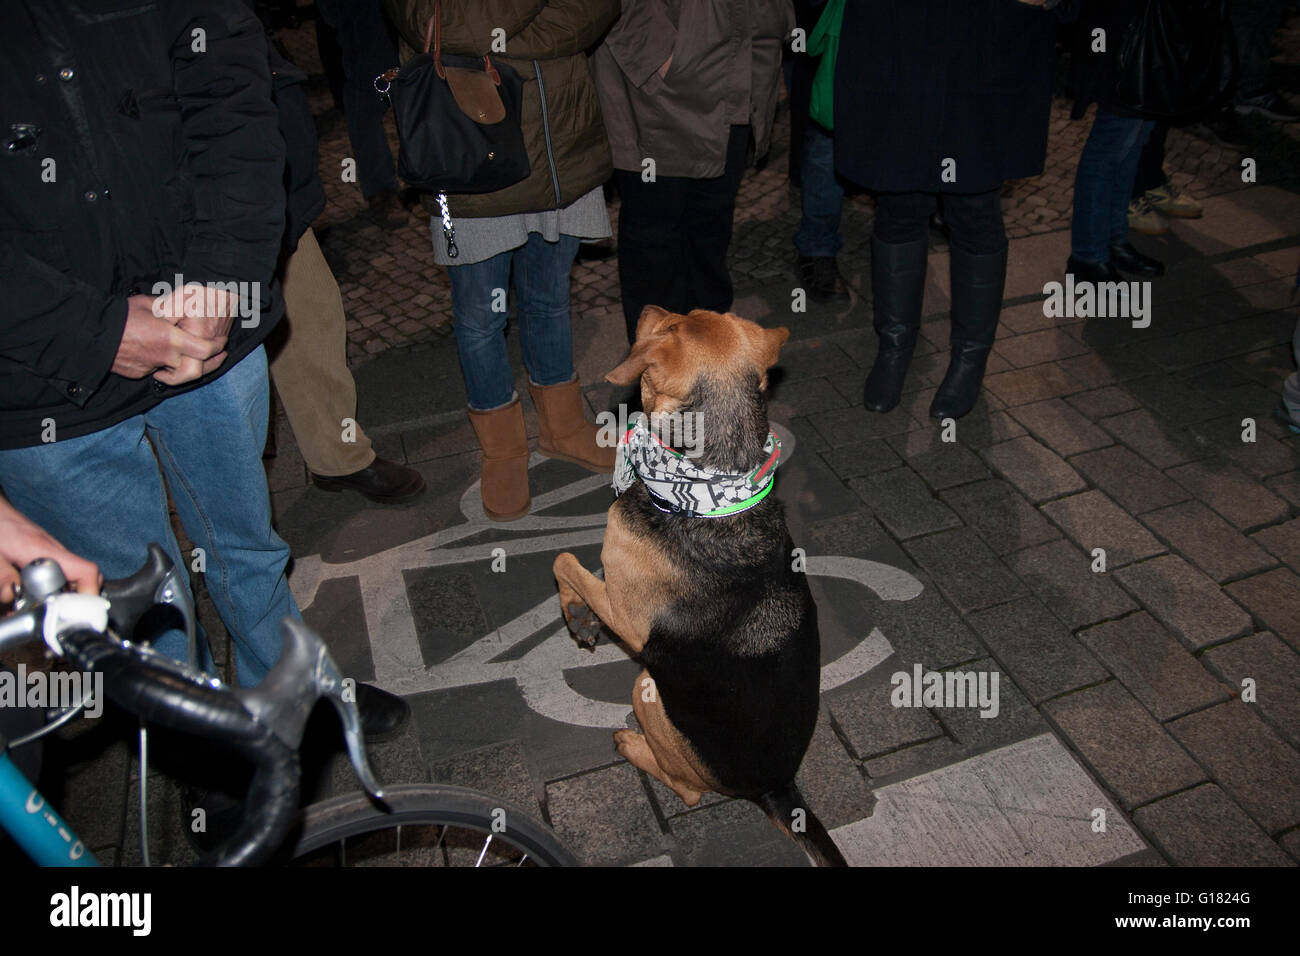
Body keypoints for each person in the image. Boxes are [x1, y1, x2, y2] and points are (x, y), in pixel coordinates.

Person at [0, 0, 297, 688]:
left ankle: (289, 700)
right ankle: (201, 758)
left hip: (206, 333)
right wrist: (92, 332)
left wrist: (223, 276)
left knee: (249, 547)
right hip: (34, 381)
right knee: (134, 601)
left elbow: (230, 92)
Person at [386, 0, 620, 521]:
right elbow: (444, 28)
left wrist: (488, 35)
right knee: (478, 319)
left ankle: (562, 429)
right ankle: (503, 448)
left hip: (560, 151)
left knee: (551, 301)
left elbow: (592, 15)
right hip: (470, 159)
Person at [836, 0, 1072, 421]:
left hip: (984, 50)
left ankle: (969, 358)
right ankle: (894, 347)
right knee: (899, 202)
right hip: (898, 46)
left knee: (975, 208)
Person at [264, 43, 426, 504]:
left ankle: (337, 456)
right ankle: (237, 492)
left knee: (313, 317)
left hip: (276, 190)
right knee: (224, 362)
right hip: (198, 196)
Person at [591, 0, 797, 343]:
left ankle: (711, 365)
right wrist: (661, 57)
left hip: (741, 75)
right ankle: (660, 370)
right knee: (655, 245)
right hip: (661, 96)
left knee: (709, 236)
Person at [315, 0, 405, 221]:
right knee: (365, 96)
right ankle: (381, 189)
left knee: (413, 88)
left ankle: (427, 175)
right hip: (361, 18)